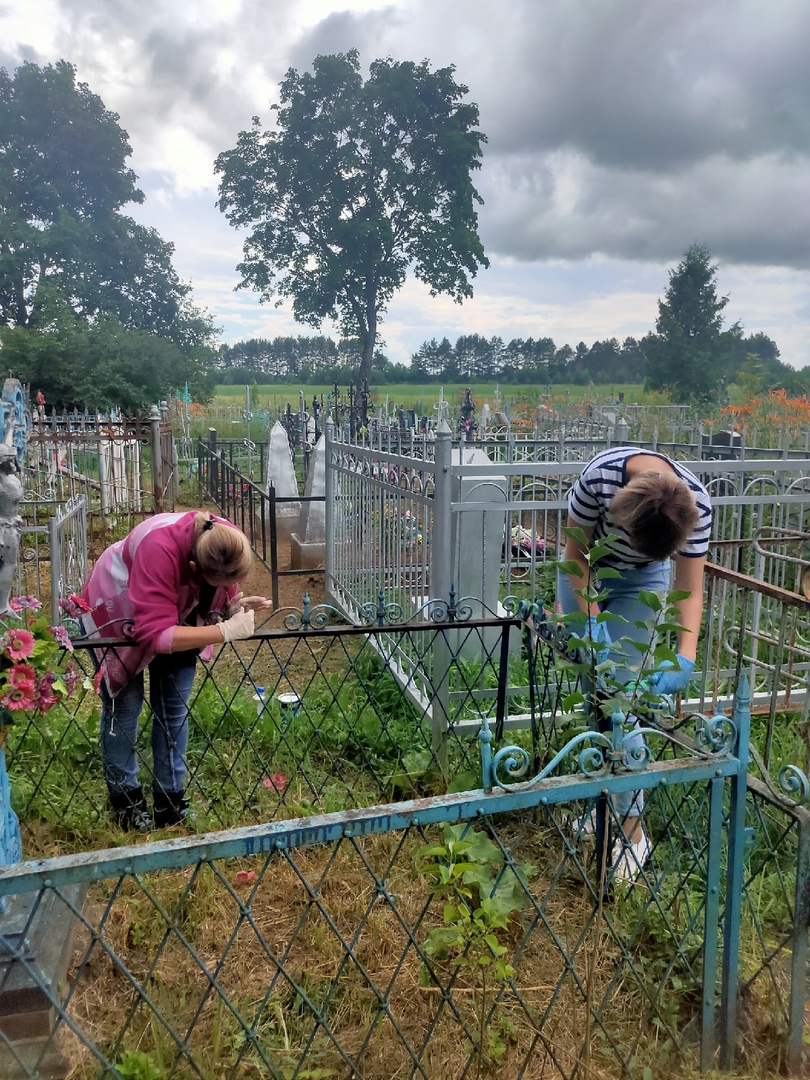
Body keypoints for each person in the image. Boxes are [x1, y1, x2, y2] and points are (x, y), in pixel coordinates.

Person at [558, 447, 712, 879]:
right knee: (595, 693)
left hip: (642, 581)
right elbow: (574, 555)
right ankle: (603, 808)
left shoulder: (696, 504)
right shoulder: (597, 479)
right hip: (587, 566)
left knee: (621, 700)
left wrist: (685, 655)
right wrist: (590, 620)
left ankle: (632, 835)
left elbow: (690, 587)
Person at [81, 511, 272, 831]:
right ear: (195, 569)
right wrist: (224, 631)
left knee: (174, 708)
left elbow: (218, 585)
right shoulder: (159, 548)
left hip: (182, 611)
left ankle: (170, 804)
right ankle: (125, 802)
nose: (230, 586)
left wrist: (229, 606)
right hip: (119, 604)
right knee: (125, 706)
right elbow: (154, 635)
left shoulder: (226, 539)